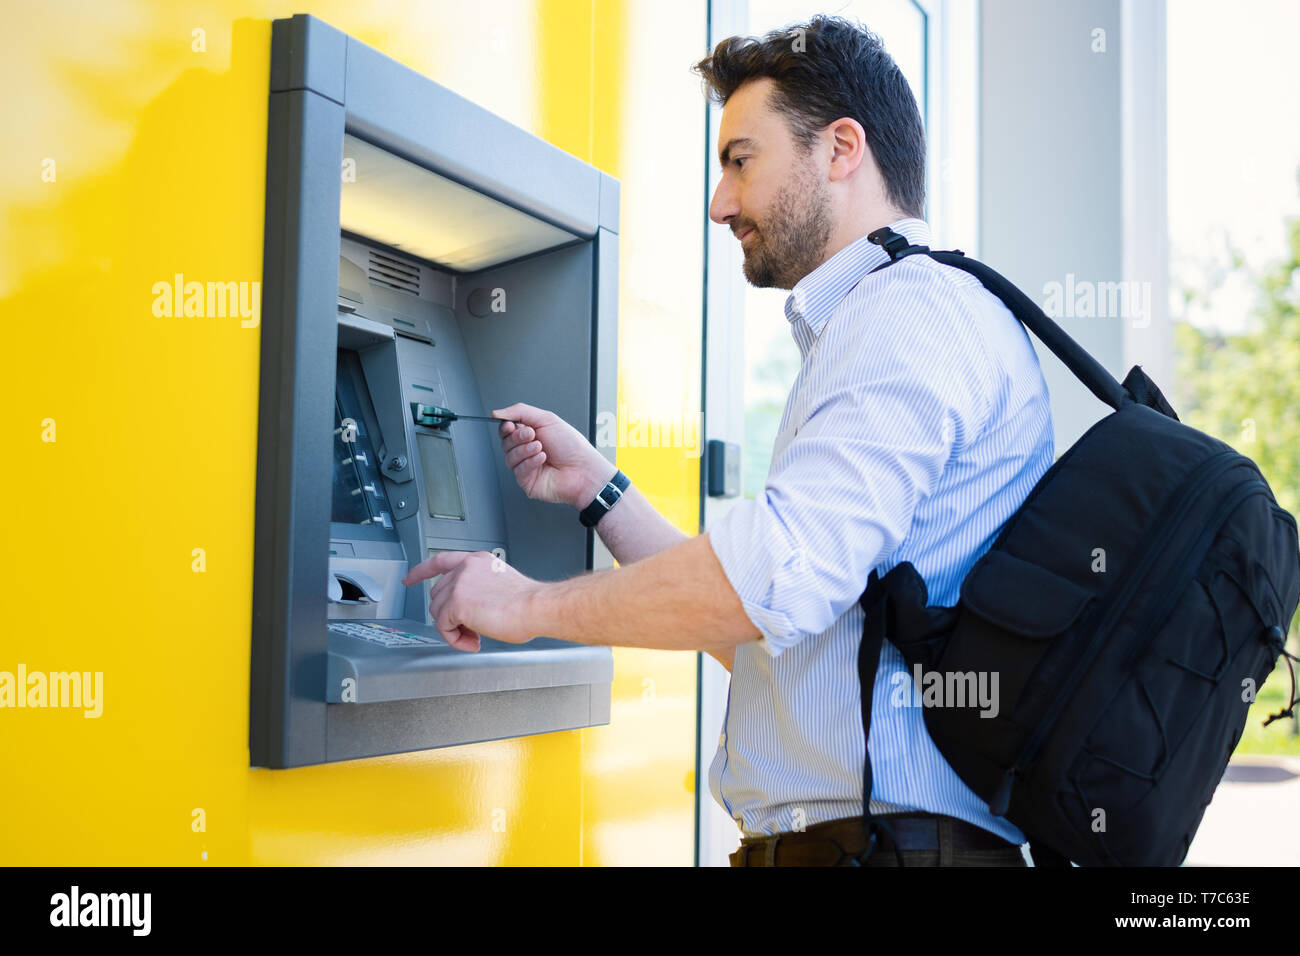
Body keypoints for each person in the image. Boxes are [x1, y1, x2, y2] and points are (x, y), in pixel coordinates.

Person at [402, 14, 1054, 867]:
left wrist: (518, 605)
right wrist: (602, 493)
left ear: (841, 148)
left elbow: (764, 584)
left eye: (740, 161)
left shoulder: (910, 315)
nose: (720, 203)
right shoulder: (894, 318)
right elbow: (771, 638)